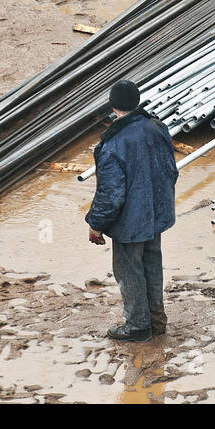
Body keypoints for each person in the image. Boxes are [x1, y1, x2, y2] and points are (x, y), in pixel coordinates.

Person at [85, 80, 178, 342]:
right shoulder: (157, 127)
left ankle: (138, 326)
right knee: (152, 264)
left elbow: (111, 194)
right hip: (155, 215)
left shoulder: (112, 145)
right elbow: (171, 171)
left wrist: (95, 224)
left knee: (129, 270)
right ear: (136, 102)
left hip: (130, 222)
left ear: (113, 106)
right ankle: (157, 320)